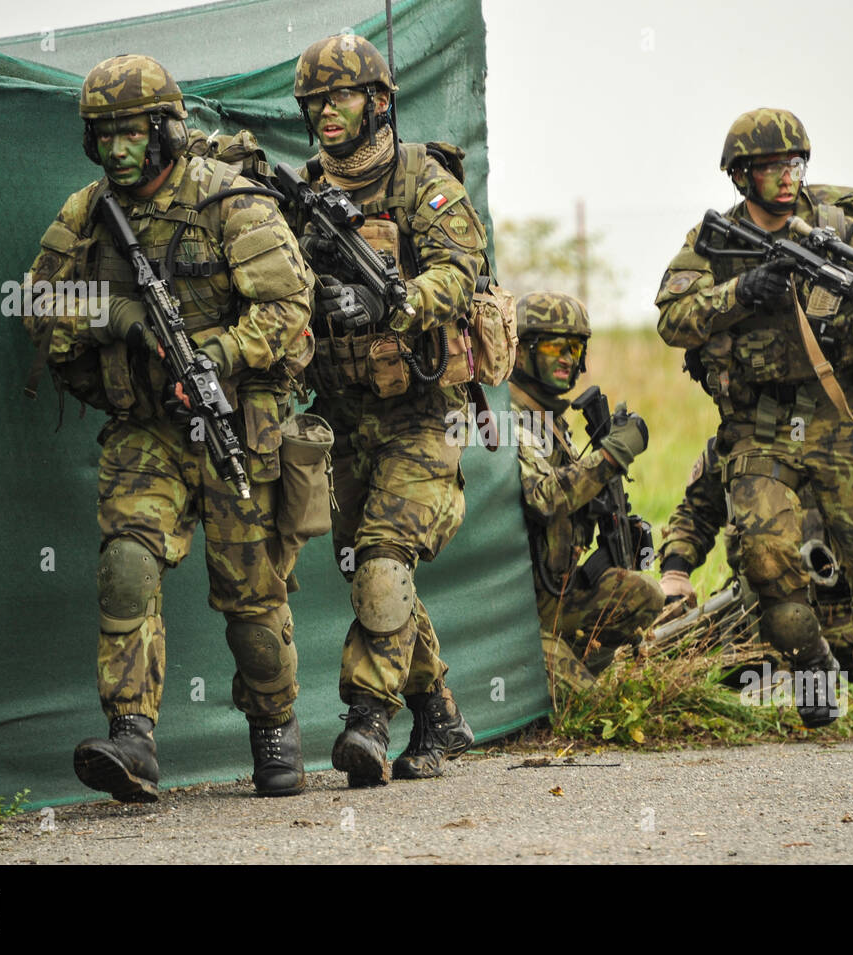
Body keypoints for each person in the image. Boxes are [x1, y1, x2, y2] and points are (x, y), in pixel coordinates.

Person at [21, 54, 315, 800]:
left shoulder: (229, 201)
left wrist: (213, 355)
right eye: (102, 136)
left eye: (129, 133)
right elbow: (35, 303)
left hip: (236, 424)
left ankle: (275, 727)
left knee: (251, 596)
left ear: (166, 128)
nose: (115, 150)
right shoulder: (87, 212)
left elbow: (286, 311)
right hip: (146, 427)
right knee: (127, 562)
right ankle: (133, 737)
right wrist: (119, 318)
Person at [655, 107, 853, 741]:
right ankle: (813, 669)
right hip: (759, 423)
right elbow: (672, 318)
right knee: (762, 556)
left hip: (839, 414)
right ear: (741, 177)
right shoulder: (716, 241)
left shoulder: (837, 224)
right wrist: (742, 291)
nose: (788, 178)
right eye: (772, 167)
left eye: (795, 164)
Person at [289, 34, 485, 786]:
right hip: (344, 419)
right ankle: (439, 713)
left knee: (382, 560)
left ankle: (367, 717)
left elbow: (461, 271)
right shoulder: (304, 192)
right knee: (376, 573)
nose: (324, 112)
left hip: (424, 415)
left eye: (338, 97)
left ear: (378, 101)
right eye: (313, 102)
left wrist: (390, 298)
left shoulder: (423, 180)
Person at [657, 436, 853, 691]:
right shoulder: (741, 442)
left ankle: (847, 687)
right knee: (750, 681)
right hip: (767, 619)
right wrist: (675, 569)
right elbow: (695, 514)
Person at [508, 292, 662, 697]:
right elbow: (543, 498)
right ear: (521, 351)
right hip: (513, 616)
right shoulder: (504, 417)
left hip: (554, 597)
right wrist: (611, 456)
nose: (566, 359)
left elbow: (569, 500)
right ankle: (553, 688)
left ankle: (571, 670)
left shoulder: (552, 420)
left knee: (641, 593)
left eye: (574, 348)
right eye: (554, 347)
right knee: (591, 707)